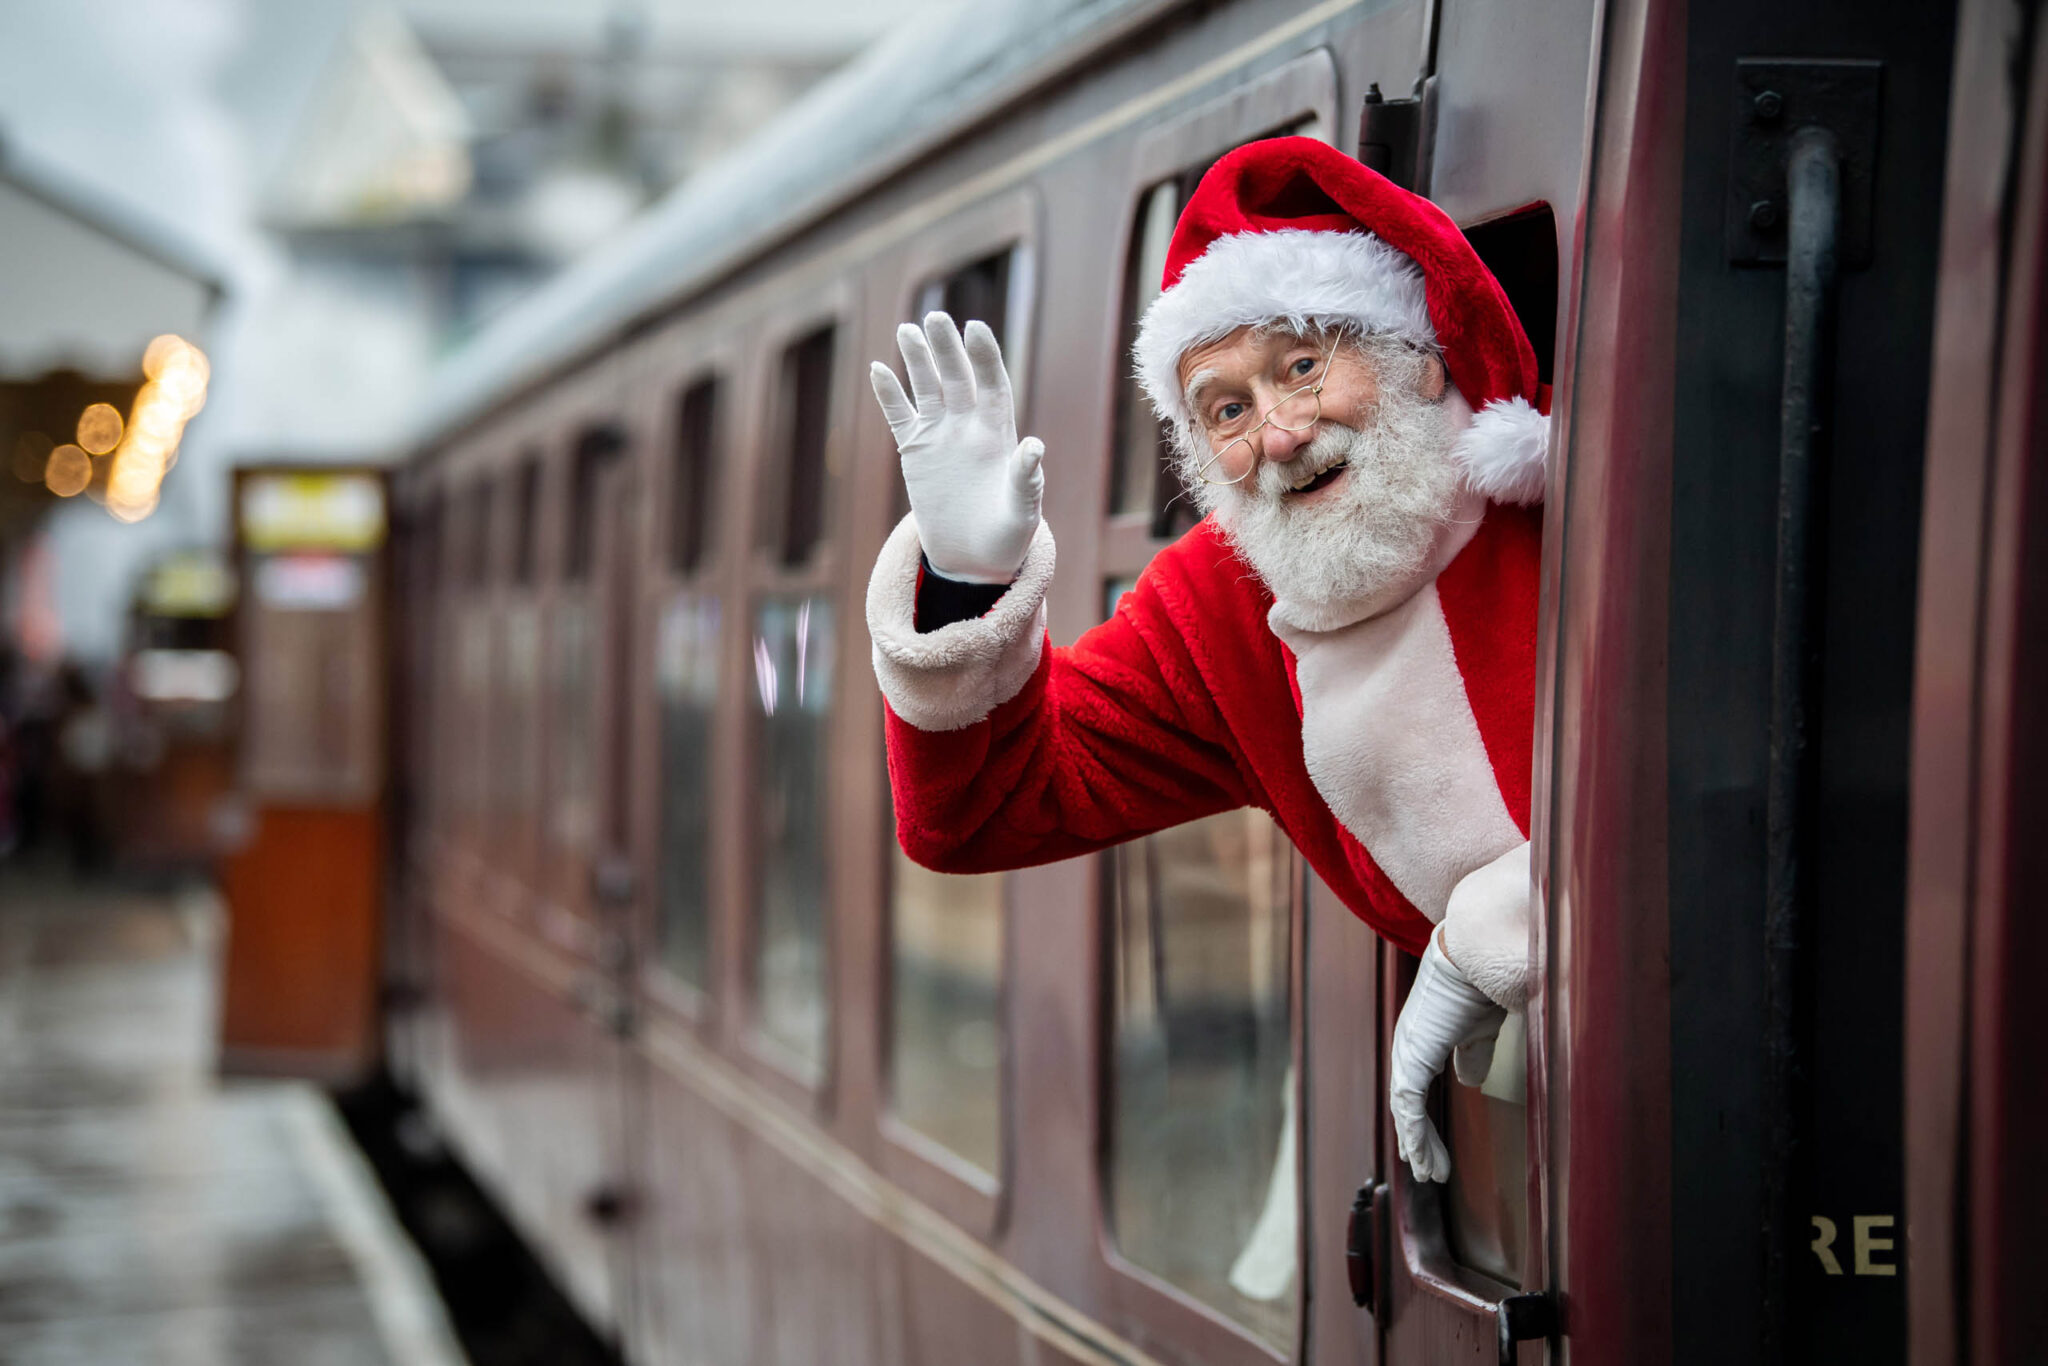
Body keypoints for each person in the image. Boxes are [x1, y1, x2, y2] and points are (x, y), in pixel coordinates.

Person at [865, 137, 1550, 1183]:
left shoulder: (1571, 482)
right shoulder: (1221, 605)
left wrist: (1493, 935)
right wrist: (965, 579)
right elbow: (982, 810)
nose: (1277, 436)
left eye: (1302, 367)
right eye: (1225, 409)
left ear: (1417, 357)